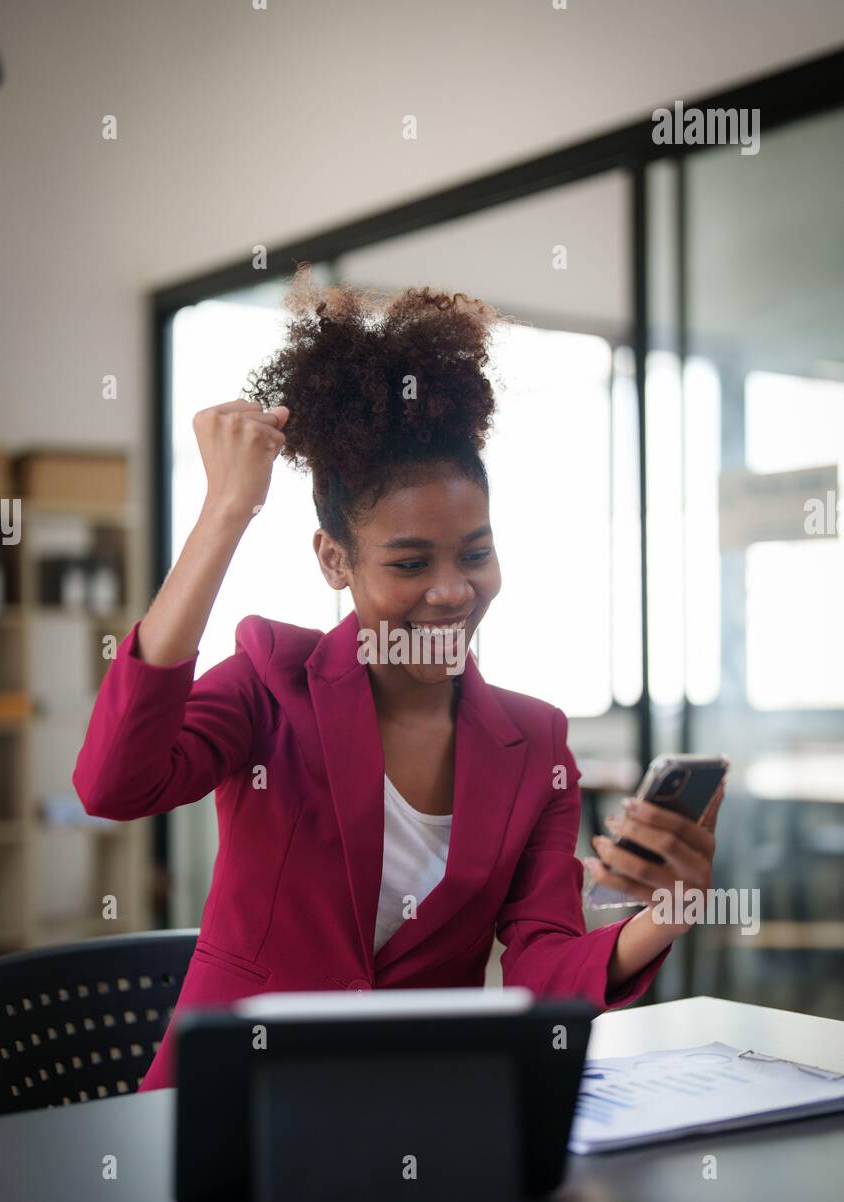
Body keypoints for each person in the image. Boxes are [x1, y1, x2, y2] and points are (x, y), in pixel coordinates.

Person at [72, 266, 725, 1092]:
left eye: (476, 553)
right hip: (233, 1107)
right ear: (335, 561)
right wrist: (224, 515)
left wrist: (661, 919)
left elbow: (540, 962)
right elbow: (114, 783)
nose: (453, 590)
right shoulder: (272, 684)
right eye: (410, 562)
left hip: (420, 1106)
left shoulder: (536, 745)